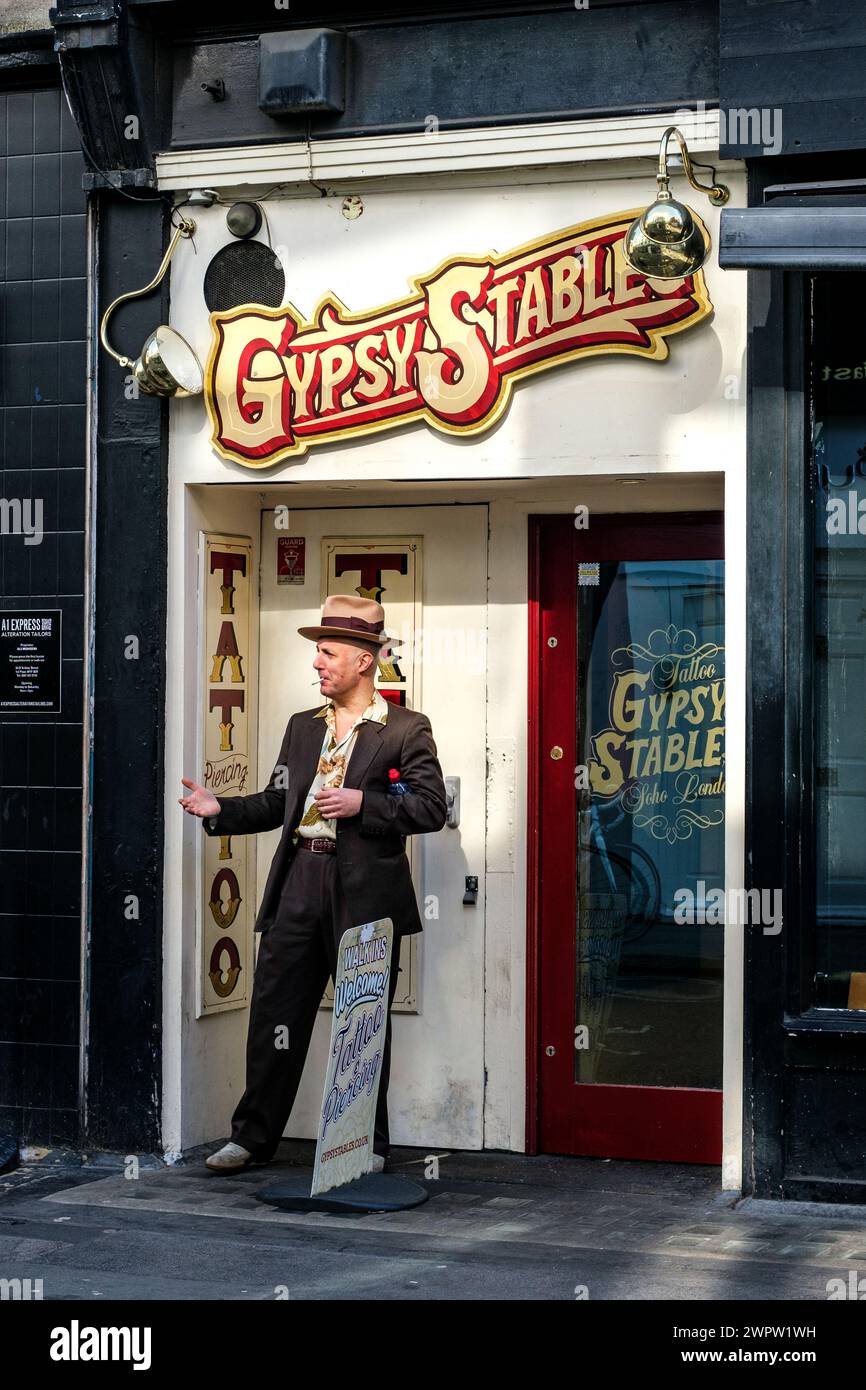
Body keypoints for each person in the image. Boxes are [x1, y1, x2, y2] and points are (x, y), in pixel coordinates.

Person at [179, 594, 448, 1173]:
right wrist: (217, 807)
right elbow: (281, 801)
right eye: (318, 654)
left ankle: (364, 1145)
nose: (317, 664)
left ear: (362, 660)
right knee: (275, 1011)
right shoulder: (303, 728)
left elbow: (429, 807)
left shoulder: (404, 727)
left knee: (364, 1016)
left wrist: (364, 803)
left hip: (365, 891)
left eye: (327, 653)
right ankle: (251, 1139)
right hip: (299, 878)